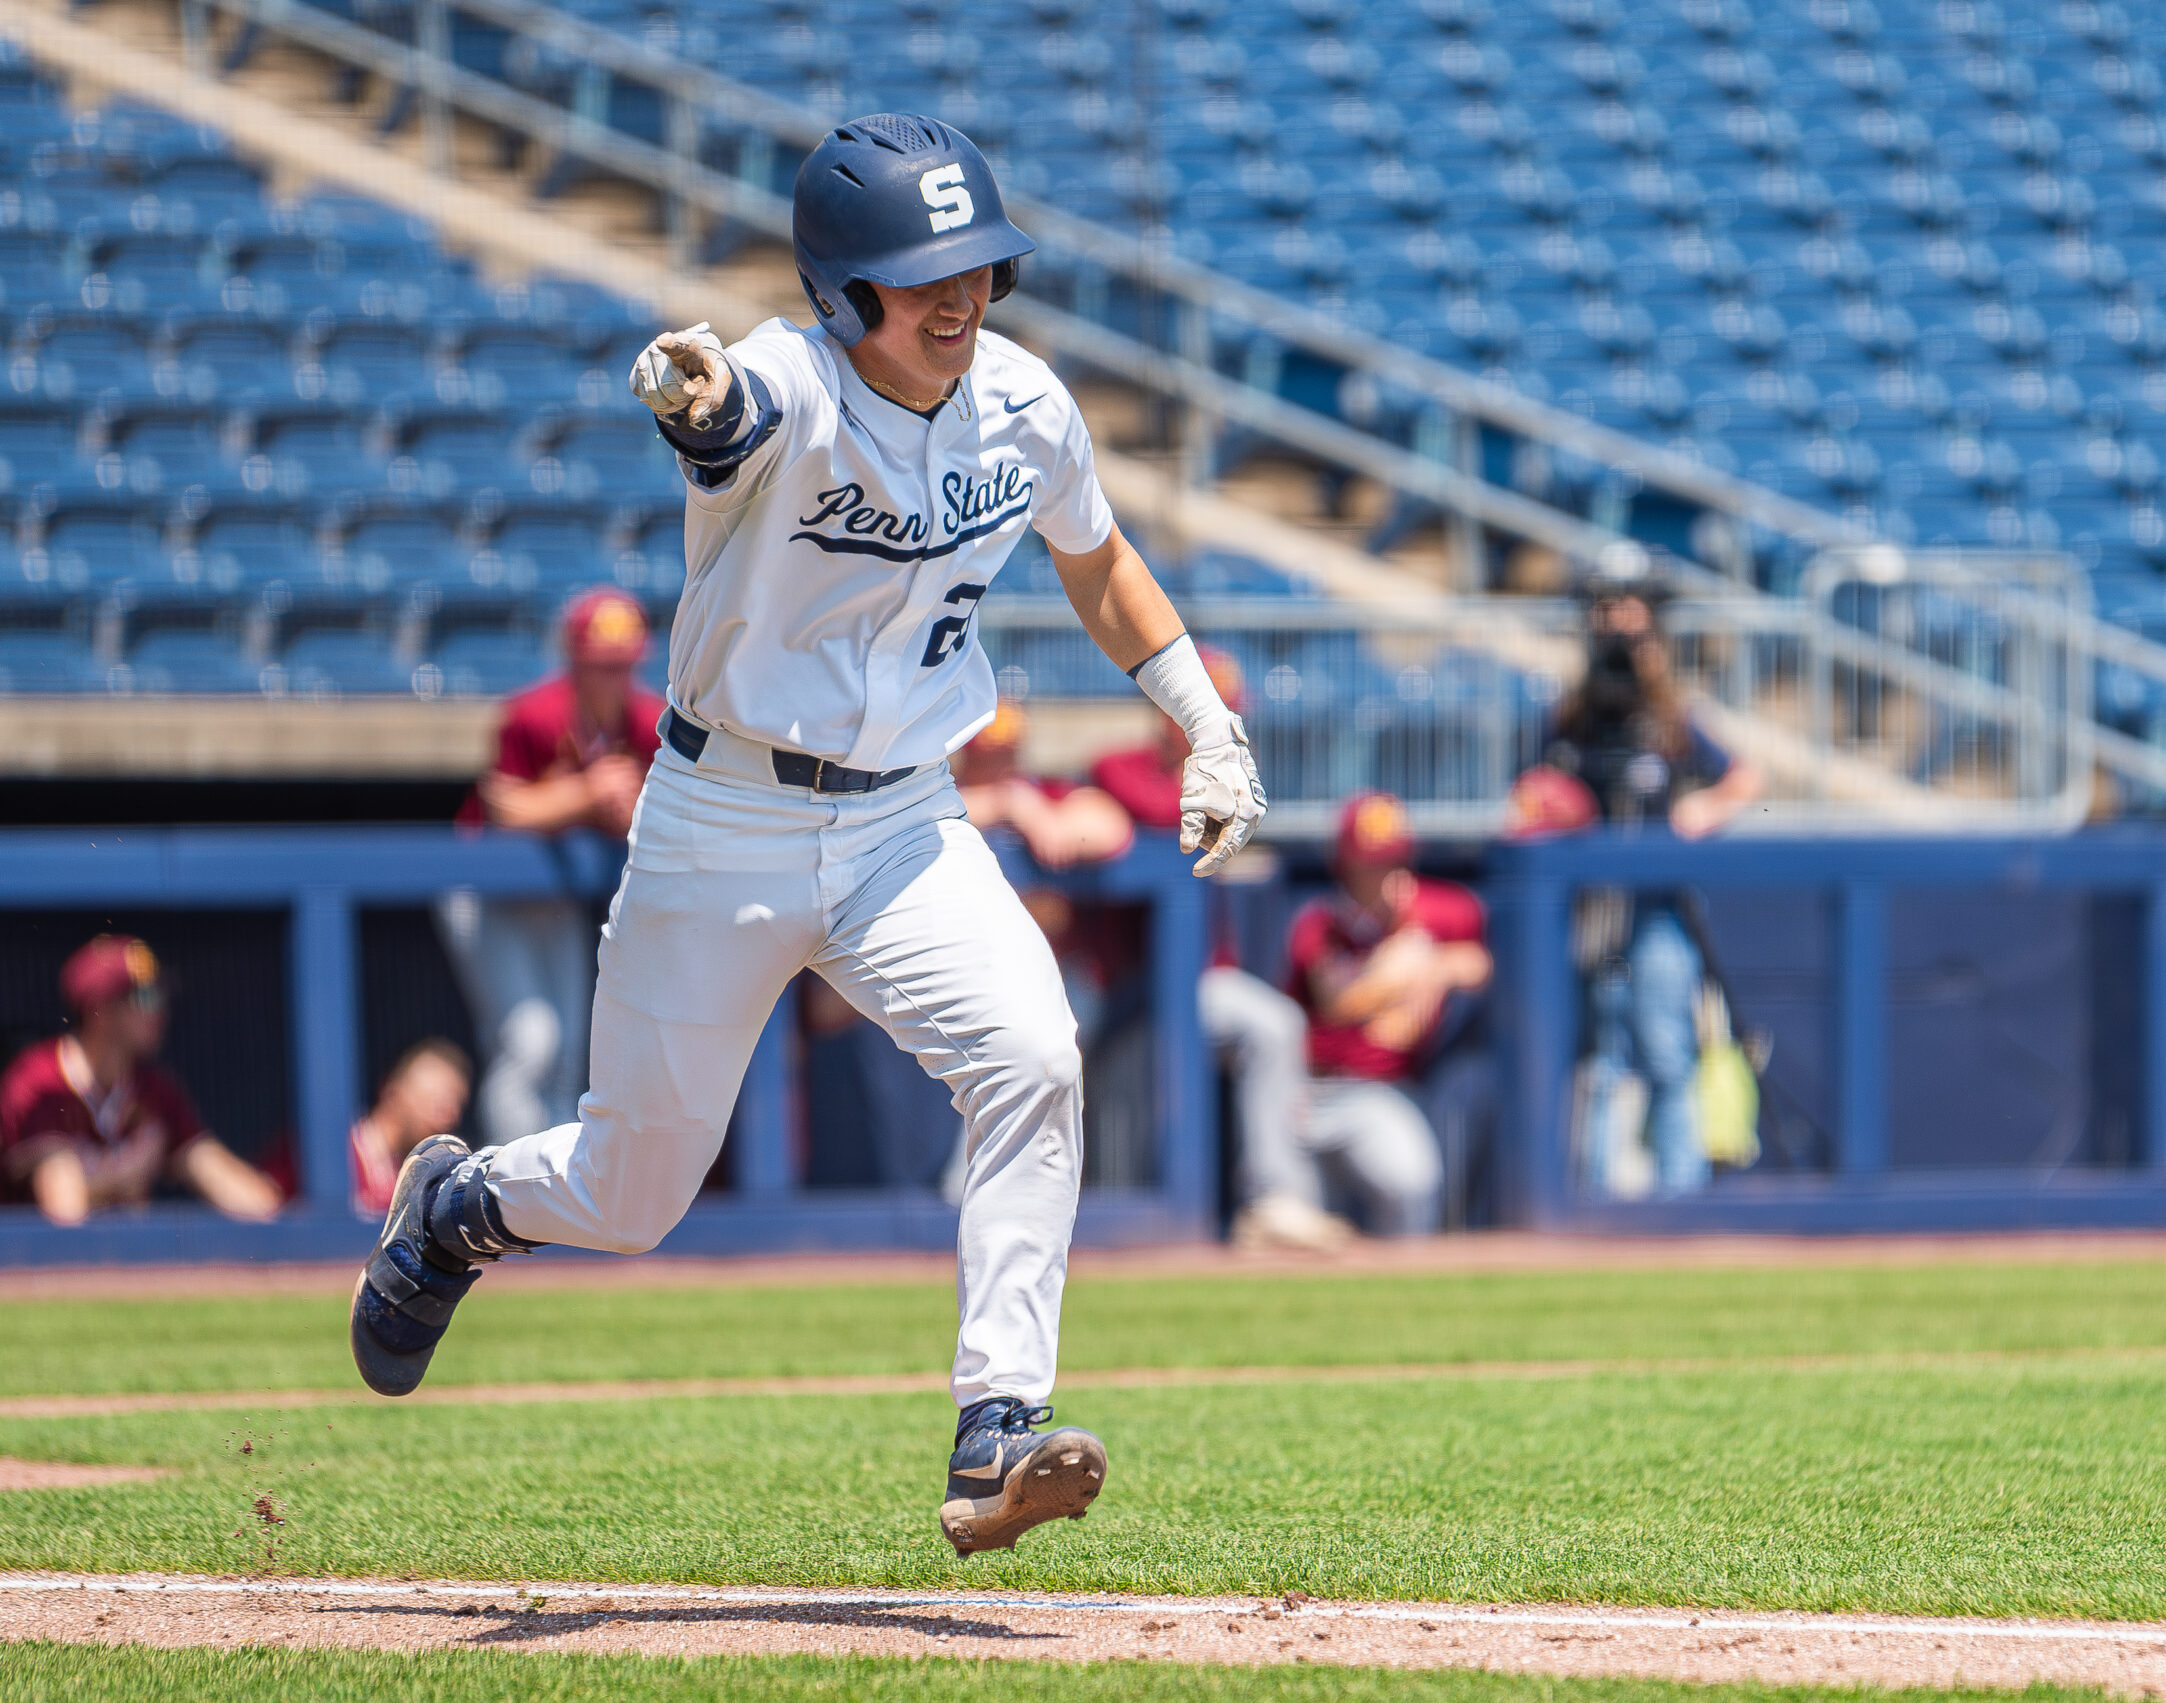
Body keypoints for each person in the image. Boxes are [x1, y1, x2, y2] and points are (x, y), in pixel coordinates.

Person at [348, 114, 1265, 1562]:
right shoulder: (794, 373)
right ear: (846, 295)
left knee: (1033, 1057)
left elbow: (1099, 564)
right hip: (724, 819)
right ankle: (461, 1202)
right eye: (924, 276)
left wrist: (1204, 720)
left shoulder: (1024, 403)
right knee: (632, 1191)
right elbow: (727, 407)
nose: (960, 297)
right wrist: (696, 400)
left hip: (907, 815)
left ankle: (995, 1428)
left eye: (977, 266)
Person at [1088, 650, 1338, 1251]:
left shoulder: (1221, 776)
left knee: (1273, 1025)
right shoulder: (1117, 769)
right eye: (1211, 712)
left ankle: (1277, 1201)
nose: (1225, 728)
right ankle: (962, 1205)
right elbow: (1167, 809)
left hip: (1193, 985)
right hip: (1120, 982)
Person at [1535, 578, 1762, 1197]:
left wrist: (1699, 814)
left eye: (1633, 635)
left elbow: (1742, 778)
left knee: (1666, 1051)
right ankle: (1601, 1199)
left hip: (1659, 907)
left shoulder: (1669, 720)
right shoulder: (1571, 720)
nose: (1620, 648)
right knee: (1603, 1059)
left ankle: (1680, 1201)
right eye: (1610, 632)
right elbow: (1528, 792)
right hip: (1595, 908)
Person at [436, 587, 663, 1143]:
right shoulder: (535, 714)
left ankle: (554, 1195)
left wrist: (611, 807)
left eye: (623, 665)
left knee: (569, 1054)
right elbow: (505, 809)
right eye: (601, 665)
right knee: (530, 1041)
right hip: (485, 890)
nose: (613, 678)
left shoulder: (647, 721)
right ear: (575, 659)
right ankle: (502, 1195)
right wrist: (588, 793)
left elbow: (658, 819)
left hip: (554, 891)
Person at [1279, 792, 1484, 1237]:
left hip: (1388, 1094)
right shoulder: (1320, 921)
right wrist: (1393, 975)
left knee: (1411, 1185)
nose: (1385, 874)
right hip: (1313, 1095)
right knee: (1302, 1226)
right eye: (1371, 862)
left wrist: (1430, 970)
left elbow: (1479, 963)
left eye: (1393, 860)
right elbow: (1337, 1002)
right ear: (1345, 865)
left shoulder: (1439, 909)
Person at [0, 936, 281, 1227]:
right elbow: (66, 1215)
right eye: (144, 997)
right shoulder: (39, 1080)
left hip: (118, 1265)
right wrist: (128, 1173)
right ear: (101, 1010)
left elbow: (236, 1189)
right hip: (32, 1267)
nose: (159, 1010)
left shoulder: (154, 1089)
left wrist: (276, 1220)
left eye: (159, 994)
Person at [956, 698, 1135, 870]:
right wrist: (1005, 803)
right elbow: (937, 815)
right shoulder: (944, 791)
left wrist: (1047, 822)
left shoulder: (1036, 790)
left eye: (1008, 753)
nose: (1001, 764)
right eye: (989, 756)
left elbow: (1113, 831)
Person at [349, 1040, 474, 1217]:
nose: (450, 1117)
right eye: (439, 1102)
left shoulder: (410, 1178)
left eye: (458, 1106)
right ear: (392, 1091)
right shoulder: (334, 1157)